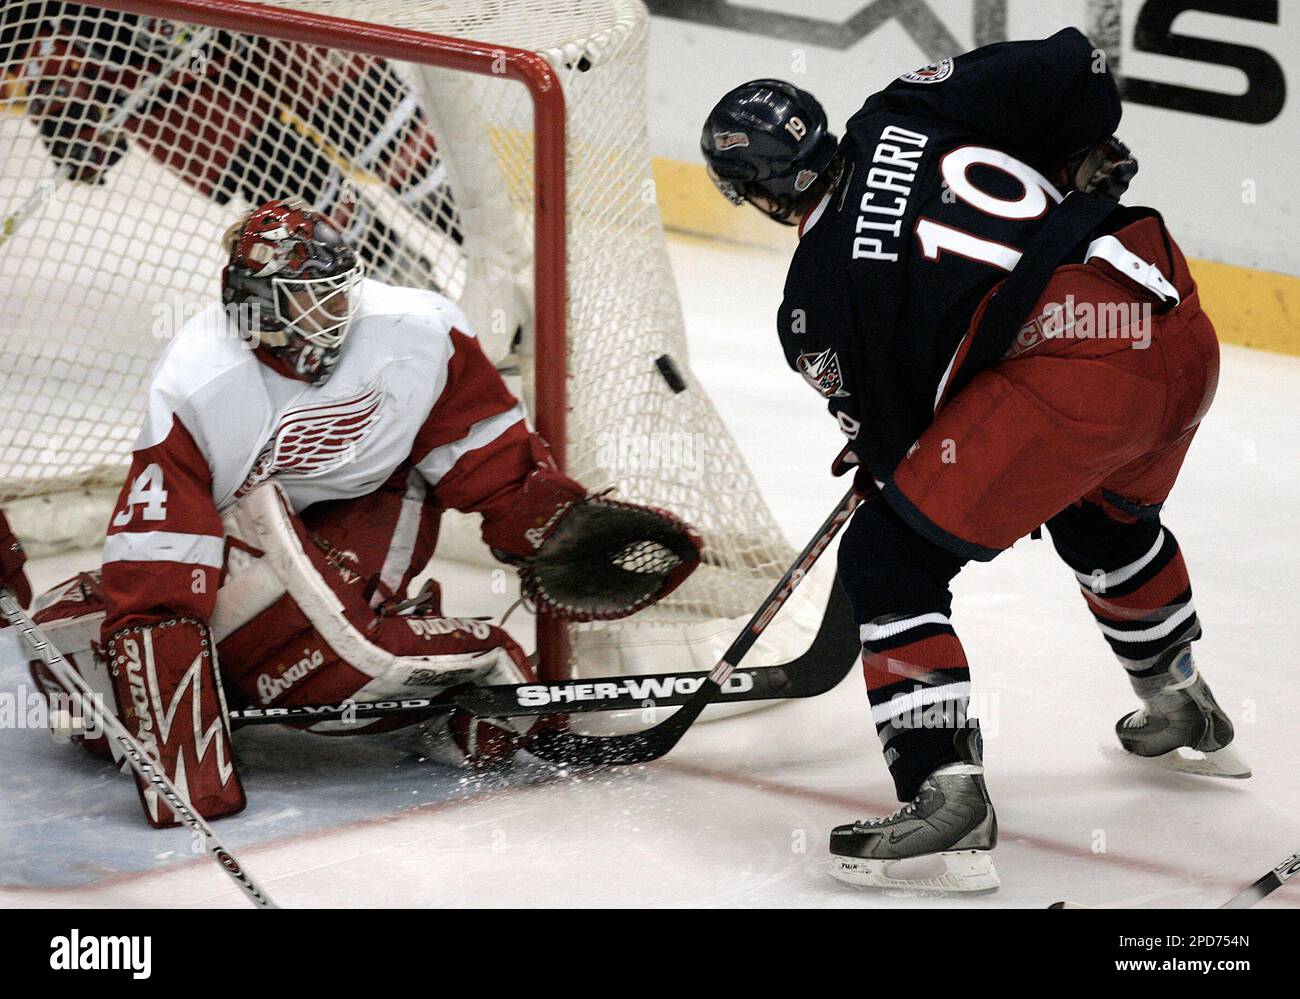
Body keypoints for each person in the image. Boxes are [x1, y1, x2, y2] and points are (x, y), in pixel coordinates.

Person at [700, 27, 1246, 892]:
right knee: (1099, 514)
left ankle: (944, 798)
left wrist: (883, 455)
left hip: (1077, 370)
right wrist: (1083, 149)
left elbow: (905, 445)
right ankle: (1181, 700)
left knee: (889, 557)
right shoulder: (904, 111)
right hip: (1171, 320)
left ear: (752, 194)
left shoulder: (810, 306)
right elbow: (1073, 62)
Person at [26, 197, 700, 829]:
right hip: (255, 521)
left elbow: (476, 442)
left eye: (339, 294)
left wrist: (544, 525)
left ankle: (455, 676)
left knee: (329, 660)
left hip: (378, 495)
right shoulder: (198, 378)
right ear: (255, 304)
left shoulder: (418, 329)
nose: (335, 315)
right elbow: (163, 556)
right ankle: (415, 680)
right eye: (312, 301)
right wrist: (184, 764)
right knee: (239, 657)